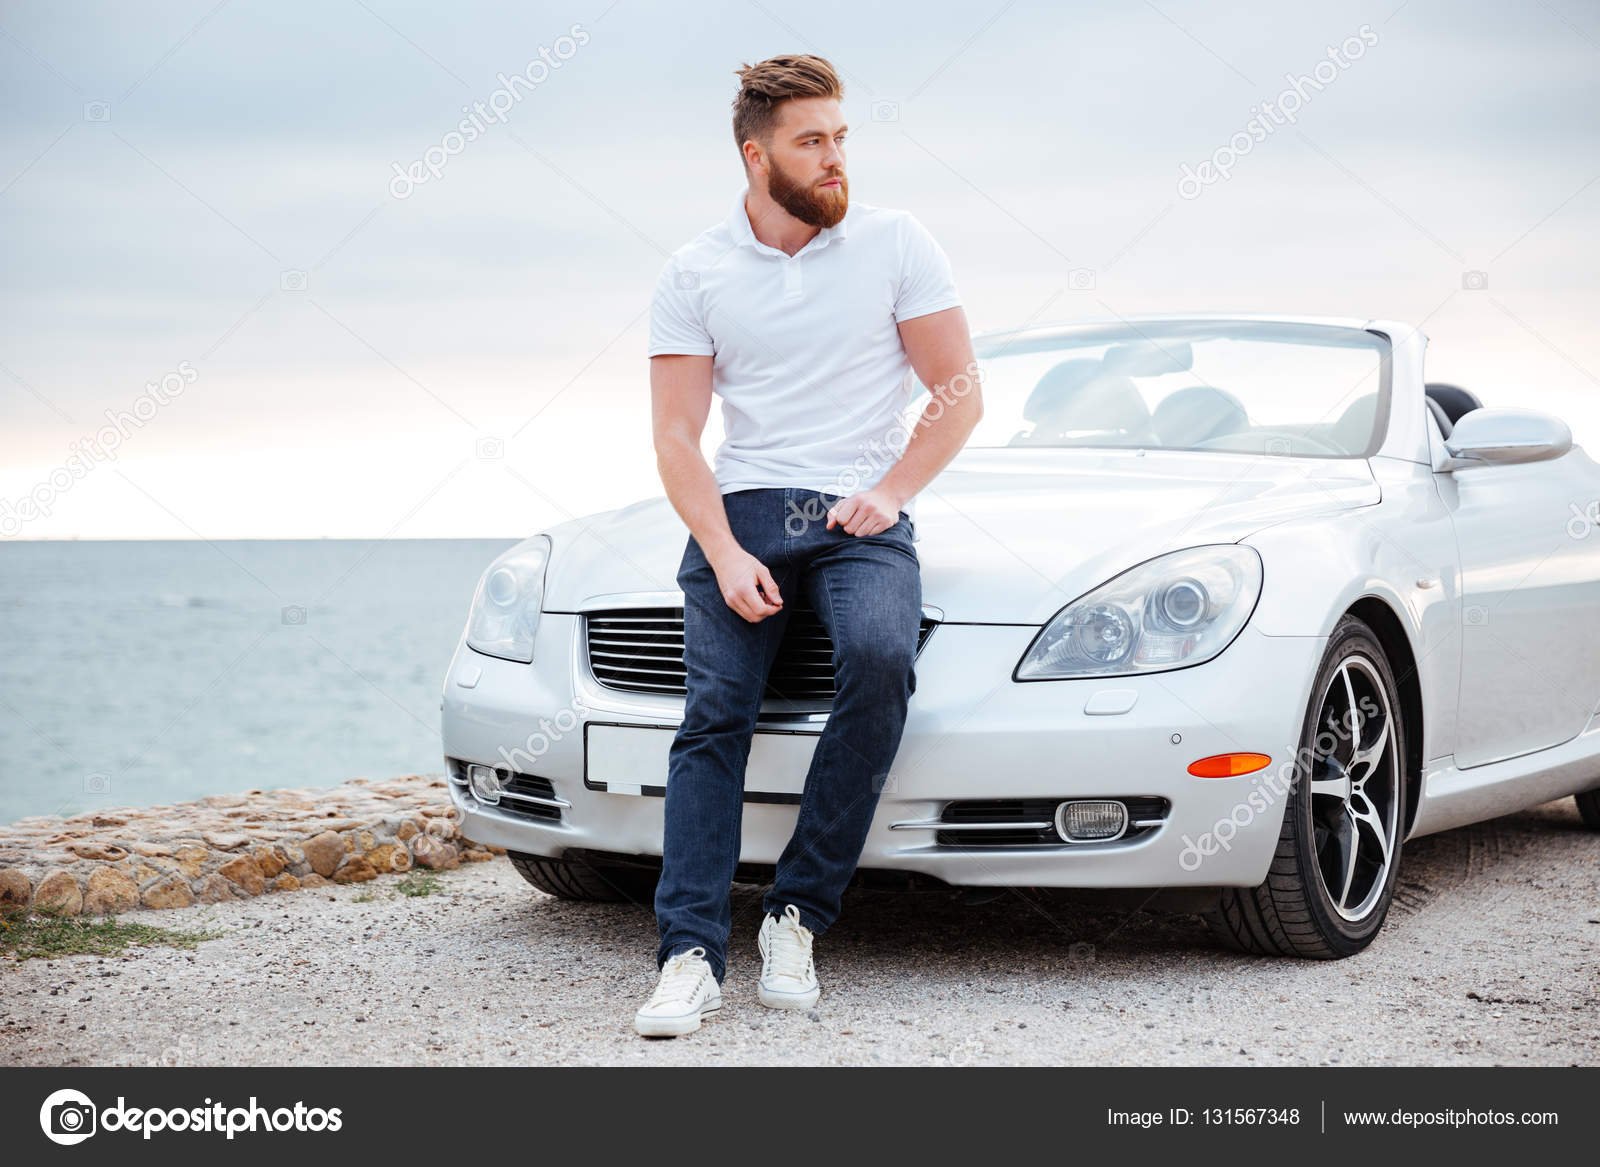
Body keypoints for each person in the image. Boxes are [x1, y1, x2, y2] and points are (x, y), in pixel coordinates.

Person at [636, 52, 981, 1037]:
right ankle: (690, 955)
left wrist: (890, 490)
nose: (834, 159)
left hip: (859, 513)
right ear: (757, 155)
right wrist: (721, 547)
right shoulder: (694, 270)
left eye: (840, 138)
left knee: (879, 660)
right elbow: (674, 435)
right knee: (714, 716)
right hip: (745, 509)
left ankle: (796, 912)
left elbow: (958, 392)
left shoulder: (897, 243)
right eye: (810, 142)